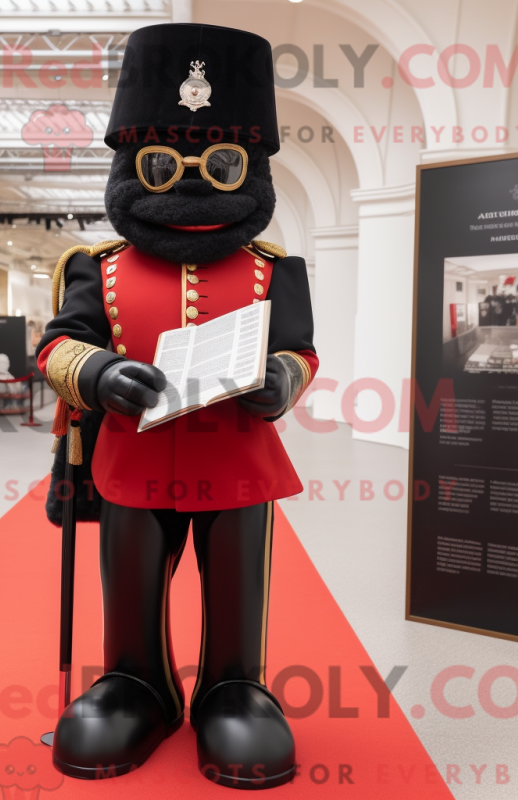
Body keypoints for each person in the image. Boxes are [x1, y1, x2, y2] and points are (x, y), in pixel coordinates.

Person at [36, 23, 317, 790]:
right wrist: (95, 374)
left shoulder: (273, 269)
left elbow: (300, 350)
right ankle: (138, 684)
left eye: (221, 164)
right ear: (134, 164)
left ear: (248, 167)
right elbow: (58, 345)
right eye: (162, 164)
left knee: (236, 597)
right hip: (133, 464)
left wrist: (281, 381)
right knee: (128, 591)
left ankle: (233, 686)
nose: (192, 181)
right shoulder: (97, 268)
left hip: (237, 463)